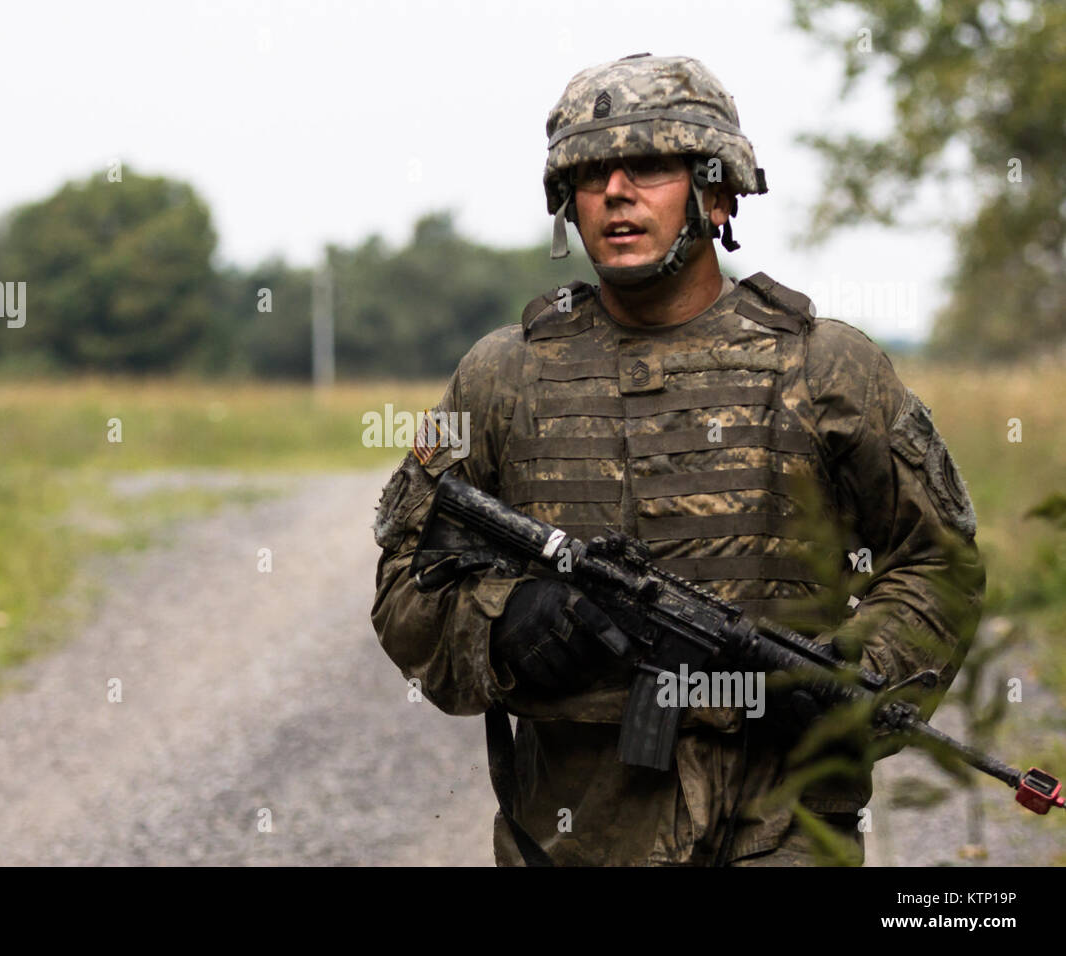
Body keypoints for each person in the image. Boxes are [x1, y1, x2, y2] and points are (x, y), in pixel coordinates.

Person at [370, 53, 985, 866]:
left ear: (716, 189)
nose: (616, 192)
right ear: (567, 201)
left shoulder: (826, 367)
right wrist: (505, 624)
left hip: (783, 829)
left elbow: (937, 563)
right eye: (591, 173)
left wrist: (849, 674)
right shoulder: (500, 377)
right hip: (570, 838)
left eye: (652, 166)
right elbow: (406, 579)